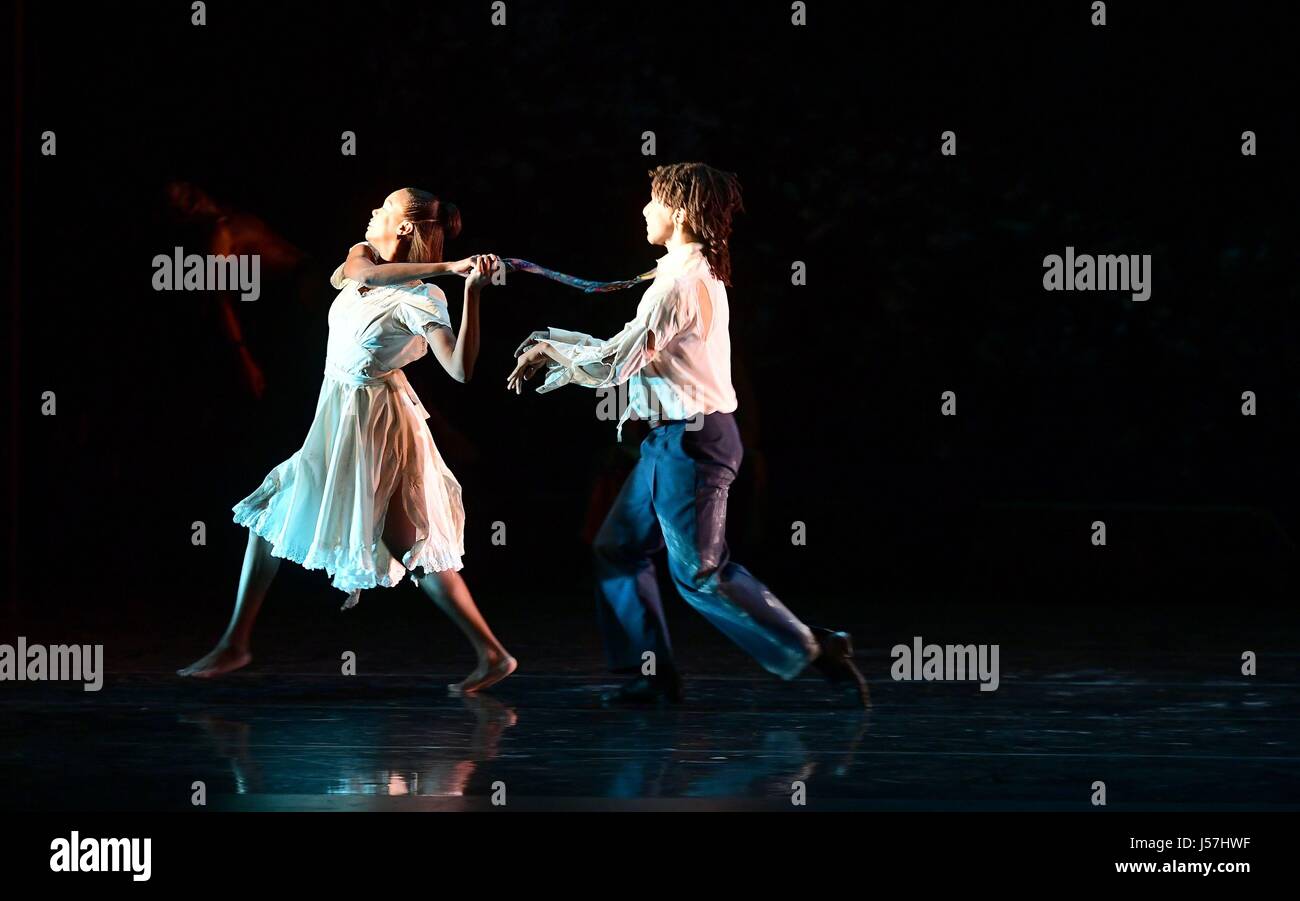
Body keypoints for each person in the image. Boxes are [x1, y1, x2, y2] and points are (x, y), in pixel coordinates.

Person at [507, 163, 866, 706]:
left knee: (700, 574)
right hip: (671, 441)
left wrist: (551, 350)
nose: (645, 210)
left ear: (677, 212)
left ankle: (815, 647)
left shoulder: (679, 283)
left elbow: (616, 363)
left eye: (652, 201)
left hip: (693, 442)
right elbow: (629, 349)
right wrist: (554, 346)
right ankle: (650, 675)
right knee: (619, 548)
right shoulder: (683, 273)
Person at [179, 187, 516, 695]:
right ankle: (237, 642)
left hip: (377, 427)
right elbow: (365, 276)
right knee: (287, 514)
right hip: (337, 415)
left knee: (401, 542)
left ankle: (492, 653)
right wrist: (452, 267)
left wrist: (470, 293)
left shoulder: (422, 298)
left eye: (383, 208)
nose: (372, 212)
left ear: (404, 227)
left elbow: (461, 369)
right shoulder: (362, 260)